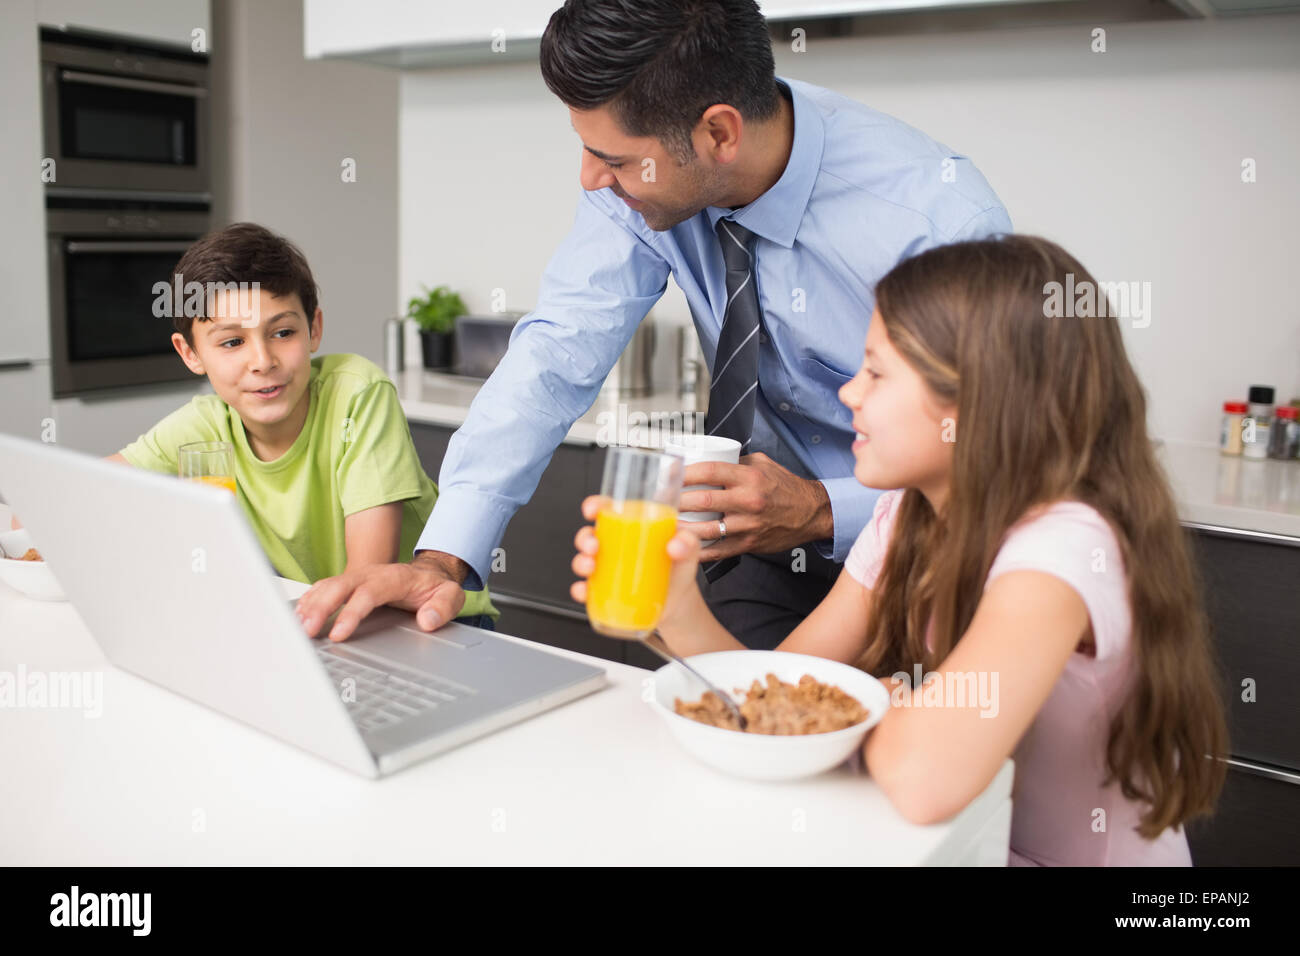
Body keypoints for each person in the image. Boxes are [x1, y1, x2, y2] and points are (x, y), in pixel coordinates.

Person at [297, 0, 1010, 648]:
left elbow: (996, 447)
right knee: (724, 741)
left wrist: (824, 508)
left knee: (877, 771)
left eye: (610, 158)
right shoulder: (637, 187)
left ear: (719, 134)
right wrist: (443, 560)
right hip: (755, 548)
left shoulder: (935, 219)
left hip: (927, 553)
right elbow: (555, 355)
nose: (589, 179)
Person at [571, 235, 1229, 865]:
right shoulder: (907, 512)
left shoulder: (1064, 546)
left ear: (976, 400)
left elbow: (922, 778)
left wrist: (879, 710)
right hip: (959, 844)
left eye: (877, 373)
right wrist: (676, 604)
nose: (850, 394)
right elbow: (776, 700)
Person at [13, 223, 498, 626]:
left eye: (282, 333)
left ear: (315, 330)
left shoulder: (358, 395)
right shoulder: (203, 425)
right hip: (321, 619)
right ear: (191, 353)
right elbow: (63, 496)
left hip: (427, 621)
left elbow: (365, 577)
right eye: (231, 343)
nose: (262, 361)